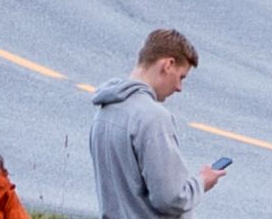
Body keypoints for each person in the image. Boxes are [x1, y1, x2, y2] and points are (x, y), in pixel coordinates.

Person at [88, 28, 224, 217]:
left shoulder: (105, 110)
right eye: (181, 77)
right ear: (168, 65)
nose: (179, 88)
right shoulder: (153, 117)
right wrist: (202, 182)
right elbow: (169, 199)